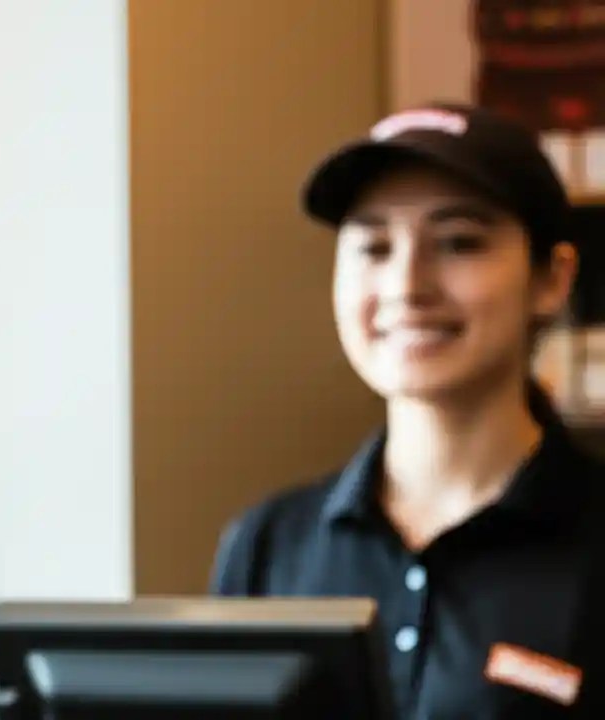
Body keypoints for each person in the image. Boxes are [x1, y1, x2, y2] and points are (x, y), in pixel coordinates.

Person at [210, 101, 605, 720]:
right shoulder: (267, 545)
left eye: (458, 243)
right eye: (373, 248)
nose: (406, 286)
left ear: (551, 280)